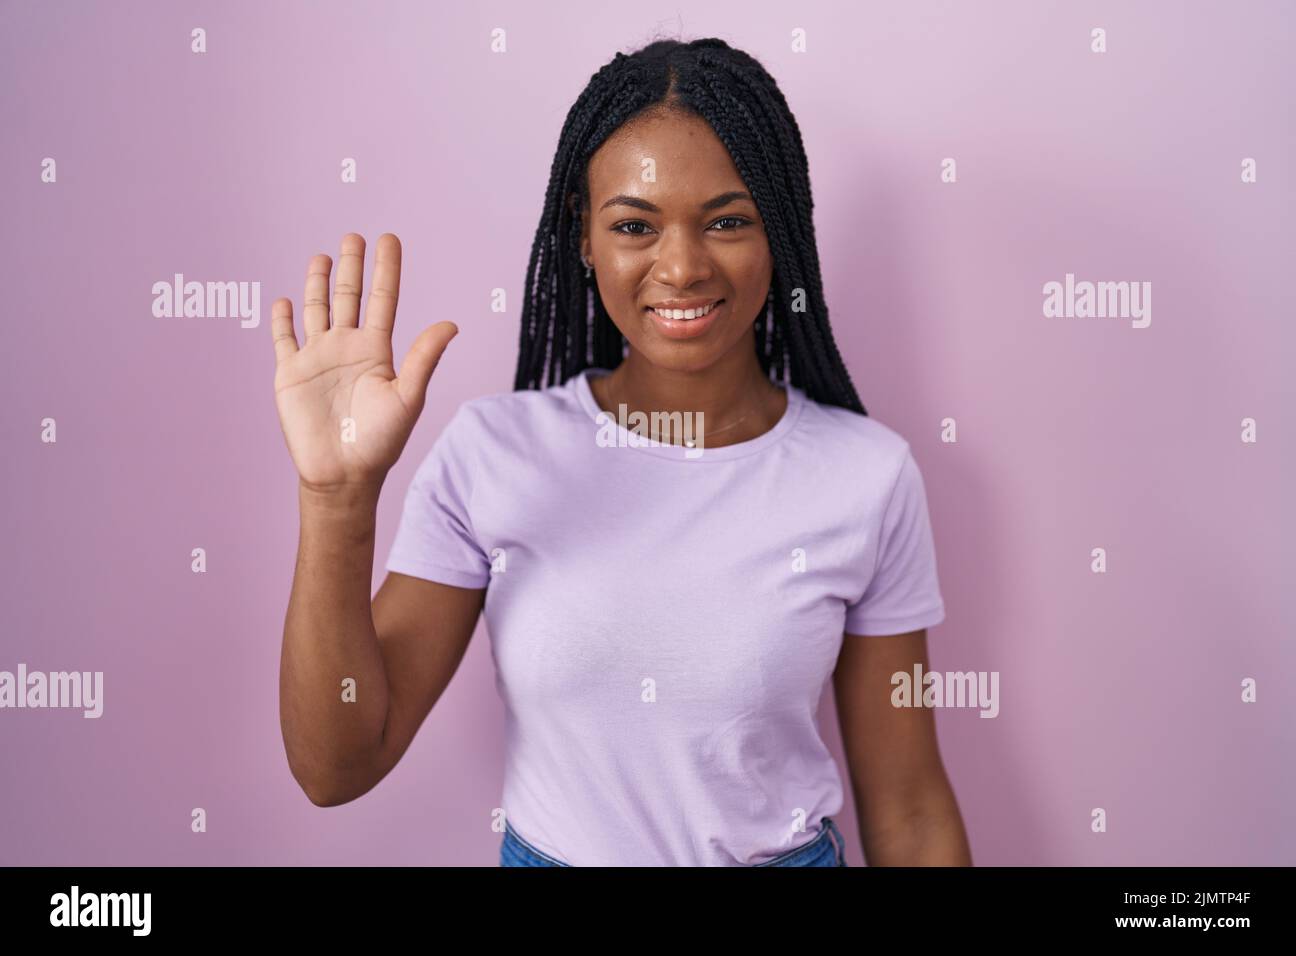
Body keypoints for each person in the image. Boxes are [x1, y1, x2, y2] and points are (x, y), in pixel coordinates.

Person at [272, 37, 972, 867]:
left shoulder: (868, 476)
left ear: (777, 230)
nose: (680, 266)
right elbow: (336, 766)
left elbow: (909, 806)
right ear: (583, 238)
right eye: (635, 225)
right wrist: (337, 500)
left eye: (728, 220)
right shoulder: (494, 454)